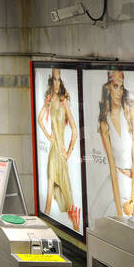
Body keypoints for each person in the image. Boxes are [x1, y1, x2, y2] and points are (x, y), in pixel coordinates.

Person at [38, 69, 80, 231]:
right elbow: (40, 119)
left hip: (60, 154)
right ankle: (44, 228)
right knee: (49, 193)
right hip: (53, 152)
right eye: (54, 80)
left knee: (67, 193)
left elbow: (75, 131)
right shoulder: (50, 99)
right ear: (52, 82)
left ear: (61, 82)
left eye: (59, 80)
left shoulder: (64, 101)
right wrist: (49, 135)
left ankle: (76, 228)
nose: (57, 83)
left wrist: (68, 153)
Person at [98, 69, 134, 217]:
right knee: (95, 213)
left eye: (121, 86)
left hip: (132, 178)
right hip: (116, 176)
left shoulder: (131, 109)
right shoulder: (105, 121)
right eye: (115, 86)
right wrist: (119, 211)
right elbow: (112, 167)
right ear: (108, 87)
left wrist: (131, 200)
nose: (119, 91)